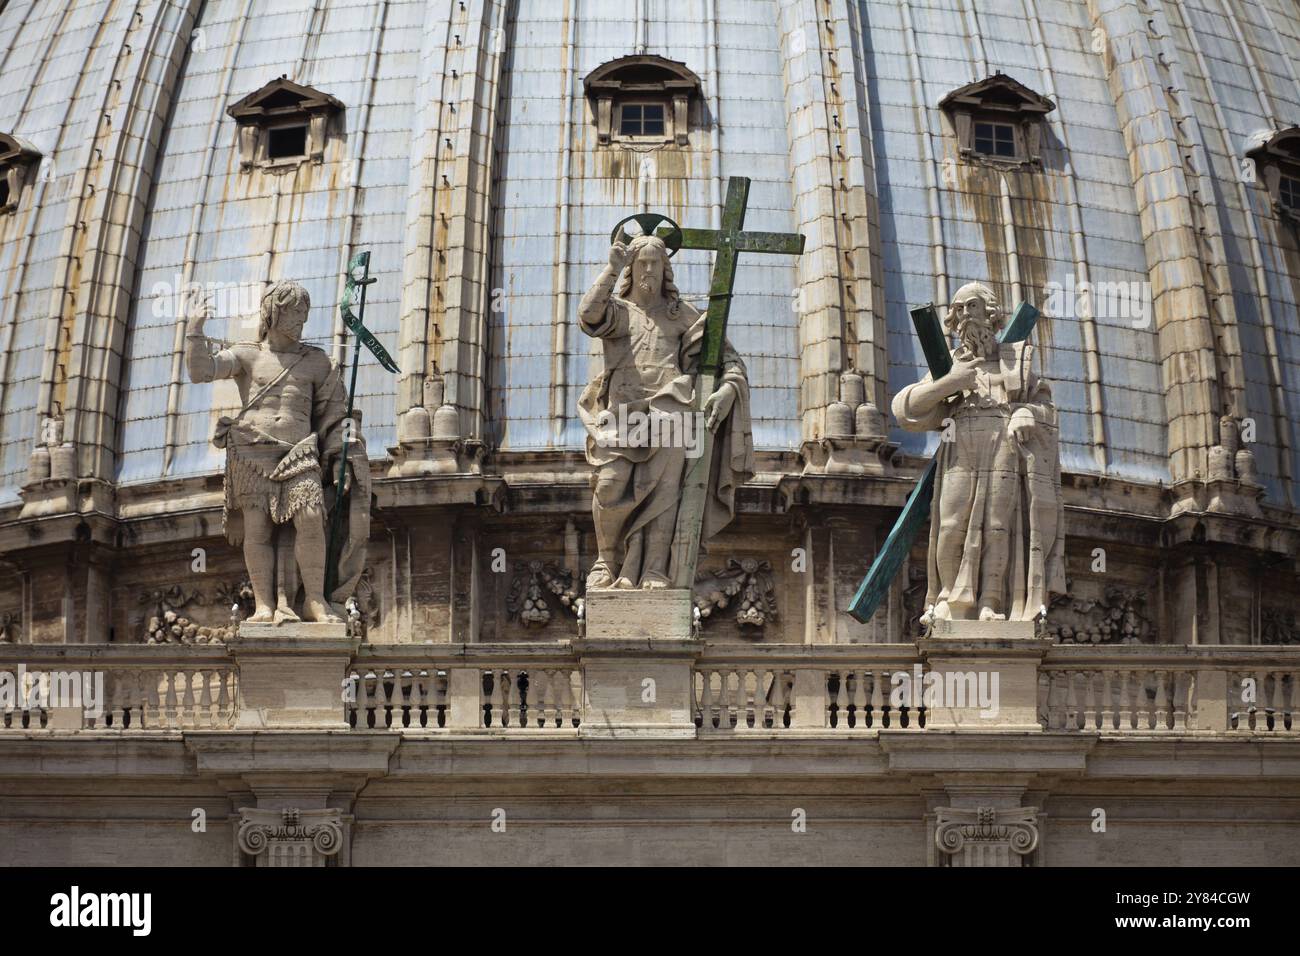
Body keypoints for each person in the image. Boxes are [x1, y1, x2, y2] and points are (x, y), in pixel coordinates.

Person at [577, 235, 755, 590]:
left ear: (665, 269)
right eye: (641, 262)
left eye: (654, 263)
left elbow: (730, 360)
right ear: (631, 268)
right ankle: (607, 560)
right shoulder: (618, 311)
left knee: (664, 494)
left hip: (672, 414)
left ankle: (655, 568)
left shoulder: (682, 315)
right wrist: (611, 269)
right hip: (622, 415)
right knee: (610, 487)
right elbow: (588, 315)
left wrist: (726, 390)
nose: (647, 269)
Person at [891, 281, 1065, 622]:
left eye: (971, 306)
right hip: (960, 442)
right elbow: (905, 410)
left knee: (999, 524)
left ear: (991, 313)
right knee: (951, 523)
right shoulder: (951, 365)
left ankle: (990, 601)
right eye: (957, 309)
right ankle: (948, 597)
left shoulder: (1018, 360)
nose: (964, 315)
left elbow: (1048, 411)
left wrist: (1027, 412)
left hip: (1005, 445)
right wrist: (951, 382)